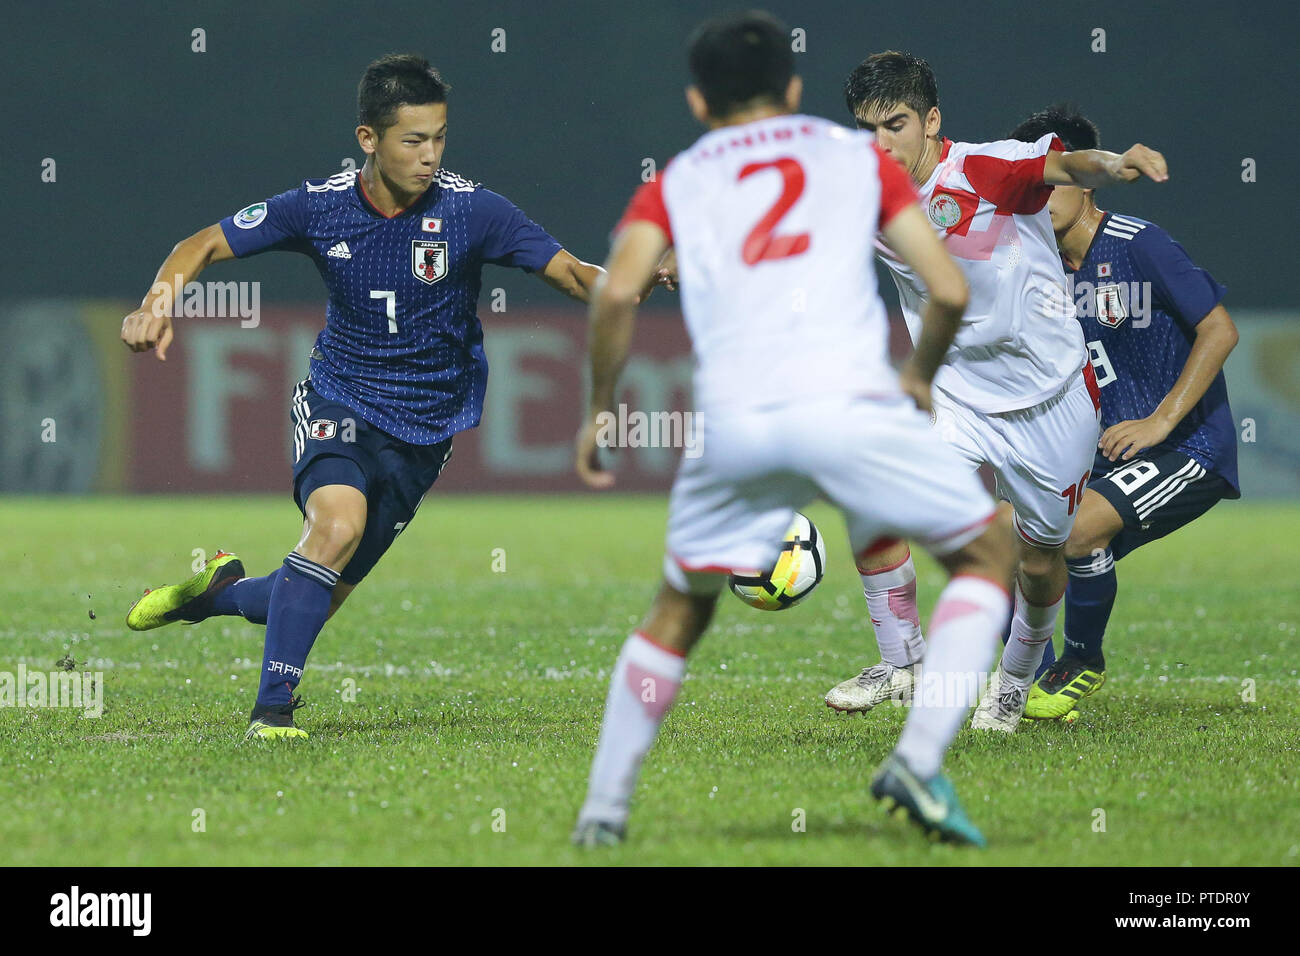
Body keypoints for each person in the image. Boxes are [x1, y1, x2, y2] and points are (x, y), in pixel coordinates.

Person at [571, 11, 1016, 848]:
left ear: (700, 101)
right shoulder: (855, 157)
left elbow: (615, 294)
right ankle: (917, 762)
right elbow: (948, 291)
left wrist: (600, 407)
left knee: (678, 610)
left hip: (735, 423)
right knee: (988, 554)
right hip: (849, 405)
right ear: (798, 88)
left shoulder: (676, 179)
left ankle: (603, 811)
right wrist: (917, 379)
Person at [121, 54, 629, 739]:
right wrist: (157, 303)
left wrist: (636, 278)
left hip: (424, 433)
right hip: (340, 398)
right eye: (413, 141)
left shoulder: (473, 210)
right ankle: (271, 714)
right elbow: (201, 244)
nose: (430, 157)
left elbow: (571, 273)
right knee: (333, 528)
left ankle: (212, 596)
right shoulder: (319, 206)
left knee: (310, 593)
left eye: (439, 138)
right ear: (369, 139)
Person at [824, 52, 1168, 730]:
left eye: (895, 124)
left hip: (1052, 401)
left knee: (1040, 563)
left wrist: (1114, 161)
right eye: (868, 128)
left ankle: (1013, 680)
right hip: (954, 396)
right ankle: (904, 663)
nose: (881, 143)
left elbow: (1066, 167)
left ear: (931, 121)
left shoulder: (983, 169)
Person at [1006, 105, 1239, 720]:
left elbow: (1219, 331)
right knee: (1014, 541)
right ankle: (1031, 678)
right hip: (1105, 452)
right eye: (1029, 186)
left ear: (1084, 183)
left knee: (1078, 528)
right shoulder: (1037, 269)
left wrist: (1161, 421)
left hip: (1188, 447)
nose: (1036, 198)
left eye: (1048, 183)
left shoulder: (1142, 245)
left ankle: (1082, 661)